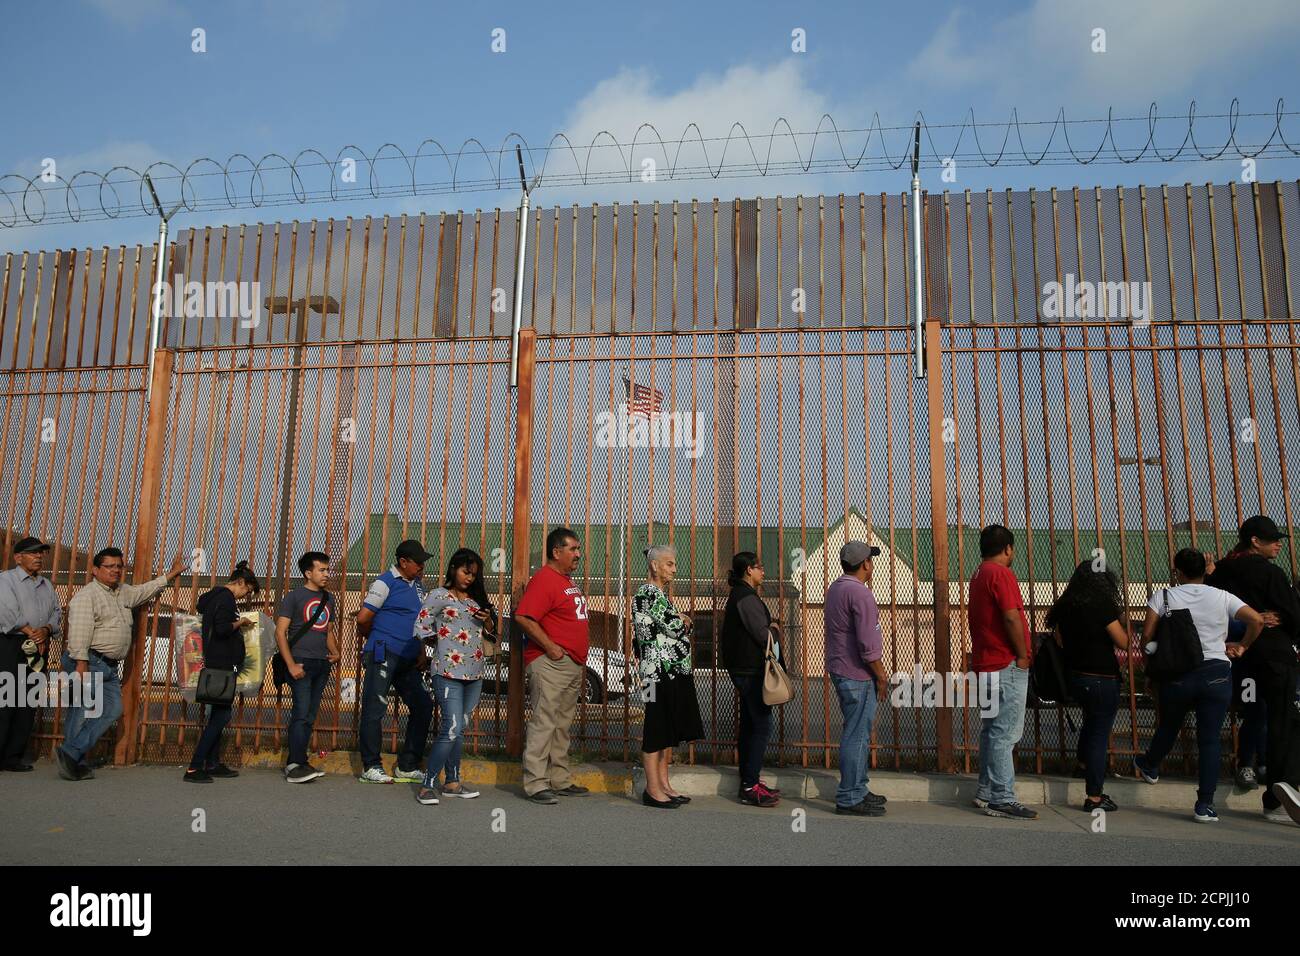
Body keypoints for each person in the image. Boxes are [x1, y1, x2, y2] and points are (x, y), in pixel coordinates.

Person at [1135, 548, 1265, 822]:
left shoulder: (1164, 596)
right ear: (1206, 570)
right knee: (1209, 739)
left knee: (1169, 725)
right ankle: (1204, 805)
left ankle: (1150, 764)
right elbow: (1257, 619)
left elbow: (1146, 637)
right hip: (1216, 672)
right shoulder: (1222, 596)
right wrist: (1242, 646)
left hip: (1178, 673)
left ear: (1177, 571)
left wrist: (1151, 666)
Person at [57, 547, 188, 780]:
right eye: (110, 566)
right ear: (95, 570)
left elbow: (143, 591)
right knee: (81, 712)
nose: (116, 570)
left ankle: (71, 753)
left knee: (113, 709)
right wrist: (81, 666)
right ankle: (74, 761)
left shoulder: (121, 592)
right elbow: (78, 633)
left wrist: (171, 574)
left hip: (107, 666)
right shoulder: (88, 596)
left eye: (119, 566)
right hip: (88, 661)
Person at [1206, 516, 1300, 825]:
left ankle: (1247, 765)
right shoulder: (1271, 573)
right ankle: (1280, 791)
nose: (1278, 544)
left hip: (1238, 657)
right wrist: (1281, 619)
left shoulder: (1221, 572)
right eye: (1272, 539)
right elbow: (1294, 615)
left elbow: (1212, 609)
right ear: (1255, 541)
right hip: (1274, 656)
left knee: (1252, 712)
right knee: (1284, 721)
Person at [413, 548, 498, 806]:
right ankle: (427, 784)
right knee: (450, 728)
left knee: (459, 729)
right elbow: (420, 626)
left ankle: (452, 782)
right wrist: (441, 645)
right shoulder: (439, 595)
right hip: (447, 672)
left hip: (474, 673)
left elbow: (491, 636)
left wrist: (488, 621)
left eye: (473, 575)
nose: (469, 578)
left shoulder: (475, 601)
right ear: (453, 568)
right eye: (465, 572)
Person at [1044, 561, 1130, 813]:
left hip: (1076, 677)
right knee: (1099, 733)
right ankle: (1094, 796)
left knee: (1091, 725)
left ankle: (1082, 765)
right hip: (1102, 676)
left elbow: (1059, 642)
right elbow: (1123, 642)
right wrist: (1121, 620)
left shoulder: (1065, 606)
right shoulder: (1102, 605)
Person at [516, 528, 591, 804]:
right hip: (550, 664)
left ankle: (559, 779)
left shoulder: (565, 580)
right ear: (556, 552)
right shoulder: (545, 579)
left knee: (561, 725)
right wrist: (549, 646)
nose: (578, 555)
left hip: (570, 663)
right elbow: (524, 617)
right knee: (544, 723)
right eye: (573, 549)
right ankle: (535, 783)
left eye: (578, 549)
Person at [969, 525, 1036, 820]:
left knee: (991, 731)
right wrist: (1022, 655)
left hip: (986, 665)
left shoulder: (979, 573)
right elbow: (1011, 617)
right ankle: (1002, 798)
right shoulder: (1001, 574)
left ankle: (986, 791)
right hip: (1004, 664)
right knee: (1004, 734)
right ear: (1008, 548)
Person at [356, 539, 436, 784]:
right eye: (418, 562)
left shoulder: (419, 586)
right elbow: (363, 618)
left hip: (408, 657)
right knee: (375, 706)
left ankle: (408, 765)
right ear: (403, 562)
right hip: (383, 652)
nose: (422, 566)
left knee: (423, 705)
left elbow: (418, 622)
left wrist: (421, 651)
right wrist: (378, 637)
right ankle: (371, 766)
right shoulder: (385, 582)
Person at [632, 544, 703, 809]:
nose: (675, 569)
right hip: (656, 673)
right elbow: (675, 625)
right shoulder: (647, 593)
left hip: (671, 671)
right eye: (669, 563)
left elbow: (676, 623)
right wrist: (683, 619)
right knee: (655, 727)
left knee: (668, 728)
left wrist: (682, 619)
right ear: (654, 565)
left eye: (674, 563)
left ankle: (664, 784)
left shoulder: (660, 595)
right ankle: (652, 789)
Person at [823, 541, 889, 817]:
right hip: (857, 672)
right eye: (870, 560)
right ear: (864, 564)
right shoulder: (860, 593)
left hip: (841, 667)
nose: (871, 565)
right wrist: (881, 675)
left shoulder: (836, 588)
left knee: (857, 731)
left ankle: (858, 787)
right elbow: (868, 641)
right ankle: (850, 796)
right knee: (857, 735)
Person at [185, 562, 260, 783]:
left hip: (217, 663)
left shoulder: (214, 597)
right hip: (221, 665)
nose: (245, 594)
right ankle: (194, 766)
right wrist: (241, 622)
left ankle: (212, 762)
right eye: (247, 589)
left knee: (218, 713)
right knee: (222, 715)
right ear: (240, 582)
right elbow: (222, 628)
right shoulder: (226, 598)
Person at [721, 551, 782, 807]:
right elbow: (762, 635)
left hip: (745, 669)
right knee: (760, 726)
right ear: (748, 570)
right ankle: (750, 786)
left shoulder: (740, 595)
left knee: (749, 725)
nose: (763, 572)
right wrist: (775, 629)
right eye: (760, 567)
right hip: (751, 670)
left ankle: (749, 780)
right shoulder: (746, 597)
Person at [275, 551, 338, 784]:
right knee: (301, 714)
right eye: (321, 570)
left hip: (321, 663)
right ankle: (293, 764)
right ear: (308, 573)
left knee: (310, 715)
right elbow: (280, 632)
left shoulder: (329, 599)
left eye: (327, 570)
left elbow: (328, 630)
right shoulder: (294, 597)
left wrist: (335, 652)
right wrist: (290, 664)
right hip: (300, 661)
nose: (326, 574)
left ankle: (301, 761)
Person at [0, 537, 62, 772]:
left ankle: (13, 757)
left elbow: (56, 614)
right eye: (33, 553)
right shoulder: (6, 580)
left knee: (27, 702)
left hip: (38, 648)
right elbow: (5, 610)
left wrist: (45, 630)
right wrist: (30, 632)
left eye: (41, 553)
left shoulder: (47, 584)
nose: (38, 557)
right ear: (18, 557)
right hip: (11, 644)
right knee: (5, 700)